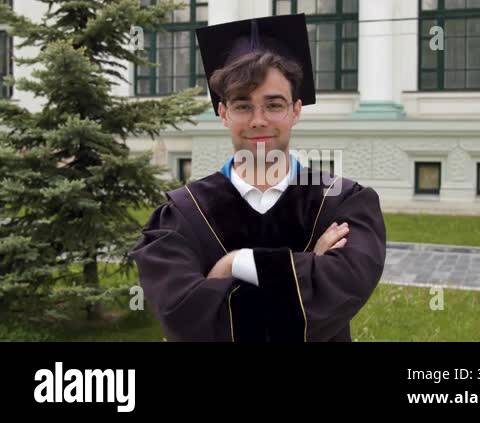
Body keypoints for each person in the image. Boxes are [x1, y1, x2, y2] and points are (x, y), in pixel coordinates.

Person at [129, 14, 386, 342]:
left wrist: (234, 264)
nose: (258, 120)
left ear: (296, 110)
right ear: (223, 114)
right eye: (243, 106)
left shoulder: (343, 203)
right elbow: (186, 320)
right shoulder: (181, 215)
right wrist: (307, 270)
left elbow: (344, 289)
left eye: (274, 105)